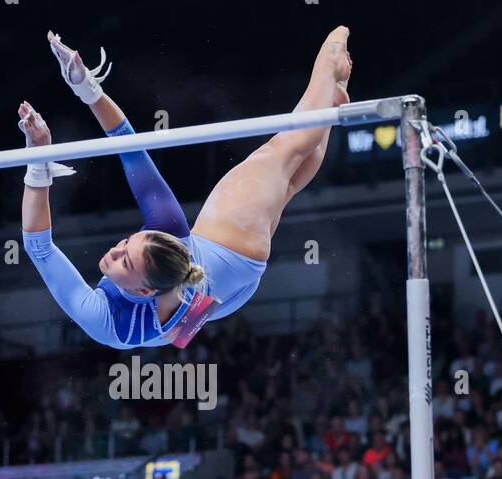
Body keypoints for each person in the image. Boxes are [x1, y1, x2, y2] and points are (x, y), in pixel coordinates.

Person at [20, 27, 353, 349]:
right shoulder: (164, 238)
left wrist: (45, 151)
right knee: (282, 150)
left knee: (289, 182)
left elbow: (41, 247)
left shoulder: (118, 305)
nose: (115, 252)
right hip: (232, 247)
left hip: (226, 296)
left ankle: (330, 104)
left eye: (125, 245)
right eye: (126, 262)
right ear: (146, 291)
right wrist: (82, 102)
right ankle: (330, 61)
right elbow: (127, 149)